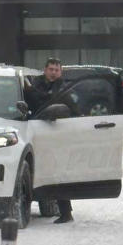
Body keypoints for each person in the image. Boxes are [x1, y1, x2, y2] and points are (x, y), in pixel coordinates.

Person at [25, 58, 77, 224]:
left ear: (60, 72)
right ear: (45, 70)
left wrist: (43, 96)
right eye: (51, 69)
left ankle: (65, 212)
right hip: (33, 132)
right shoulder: (35, 84)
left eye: (56, 70)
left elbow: (64, 105)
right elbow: (32, 100)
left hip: (57, 136)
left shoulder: (64, 88)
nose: (53, 72)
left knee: (58, 173)